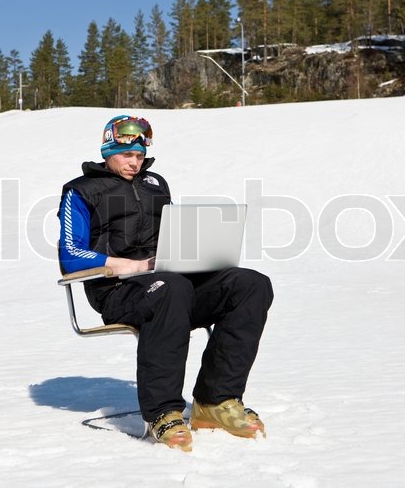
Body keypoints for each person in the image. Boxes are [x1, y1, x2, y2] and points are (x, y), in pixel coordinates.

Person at [57, 115, 273, 452]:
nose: (135, 163)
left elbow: (173, 239)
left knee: (250, 284)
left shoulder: (155, 184)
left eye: (140, 156)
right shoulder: (81, 191)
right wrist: (128, 264)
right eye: (127, 156)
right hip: (117, 290)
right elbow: (71, 254)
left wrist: (197, 256)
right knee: (170, 288)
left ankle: (215, 402)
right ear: (108, 149)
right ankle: (163, 412)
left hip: (171, 284)